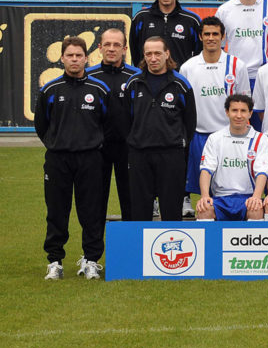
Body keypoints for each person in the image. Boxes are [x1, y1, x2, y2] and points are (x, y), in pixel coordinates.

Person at [36, 36, 110, 280]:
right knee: (57, 212)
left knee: (91, 212)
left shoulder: (99, 89)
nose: (75, 59)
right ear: (62, 58)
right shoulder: (50, 89)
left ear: (86, 58)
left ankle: (91, 260)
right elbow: (42, 125)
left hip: (90, 160)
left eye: (79, 55)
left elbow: (108, 123)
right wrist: (58, 143)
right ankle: (55, 262)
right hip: (58, 160)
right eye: (70, 55)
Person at [179, 16, 251, 217]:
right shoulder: (188, 67)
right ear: (200, 36)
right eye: (207, 34)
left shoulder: (237, 65)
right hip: (199, 133)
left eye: (215, 34)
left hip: (228, 134)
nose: (211, 38)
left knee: (226, 182)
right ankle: (187, 201)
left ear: (223, 36)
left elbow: (244, 100)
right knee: (200, 180)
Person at [124, 36, 197, 222]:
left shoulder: (181, 84)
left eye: (157, 53)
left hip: (171, 155)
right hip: (140, 155)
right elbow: (125, 120)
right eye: (148, 54)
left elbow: (190, 122)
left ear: (167, 54)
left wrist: (176, 141)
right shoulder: (133, 83)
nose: (153, 58)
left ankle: (171, 241)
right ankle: (141, 242)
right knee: (140, 211)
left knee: (171, 210)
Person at [86, 28, 139, 221]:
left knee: (132, 201)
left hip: (129, 149)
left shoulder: (137, 76)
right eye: (107, 44)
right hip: (97, 149)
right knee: (95, 203)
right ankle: (93, 242)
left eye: (117, 45)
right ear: (100, 48)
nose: (111, 48)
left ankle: (132, 240)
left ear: (125, 49)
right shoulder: (88, 76)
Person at [195, 94, 268, 221]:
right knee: (204, 210)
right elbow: (206, 170)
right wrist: (204, 196)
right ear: (227, 112)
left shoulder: (260, 139)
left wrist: (256, 197)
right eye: (234, 110)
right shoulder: (215, 138)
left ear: (250, 113)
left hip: (247, 197)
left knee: (256, 209)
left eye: (243, 111)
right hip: (220, 198)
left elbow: (262, 172)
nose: (239, 115)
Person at [129, 0, 202, 66]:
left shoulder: (192, 21)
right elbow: (135, 52)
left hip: (180, 75)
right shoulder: (141, 18)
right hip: (147, 75)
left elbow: (199, 55)